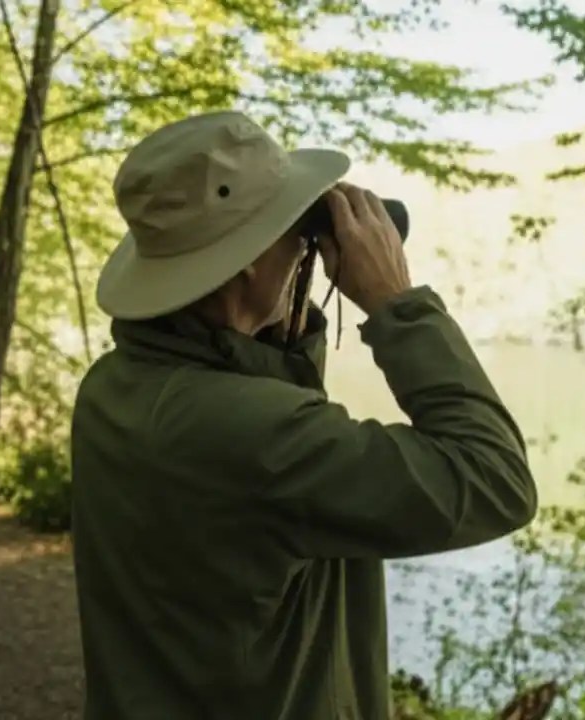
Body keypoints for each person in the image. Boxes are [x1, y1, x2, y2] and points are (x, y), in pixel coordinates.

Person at [70, 110, 538, 719]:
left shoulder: (115, 387)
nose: (302, 248)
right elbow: (495, 479)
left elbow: (251, 417)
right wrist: (395, 304)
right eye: (289, 231)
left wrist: (281, 311)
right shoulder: (254, 435)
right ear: (247, 265)